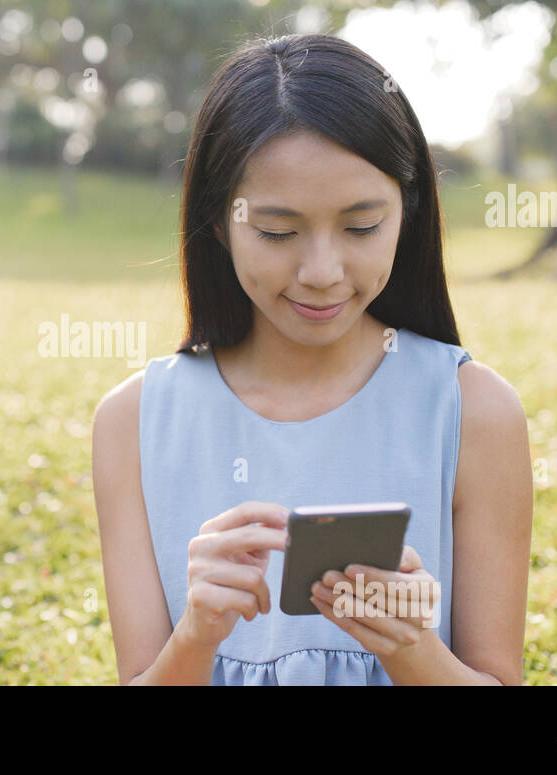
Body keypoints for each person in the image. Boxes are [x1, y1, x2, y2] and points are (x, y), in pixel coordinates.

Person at [91, 33, 533, 685]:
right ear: (219, 221)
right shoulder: (133, 423)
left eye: (361, 226)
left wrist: (409, 646)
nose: (323, 272)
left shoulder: (474, 411)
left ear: (406, 210)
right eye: (277, 231)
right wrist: (196, 635)